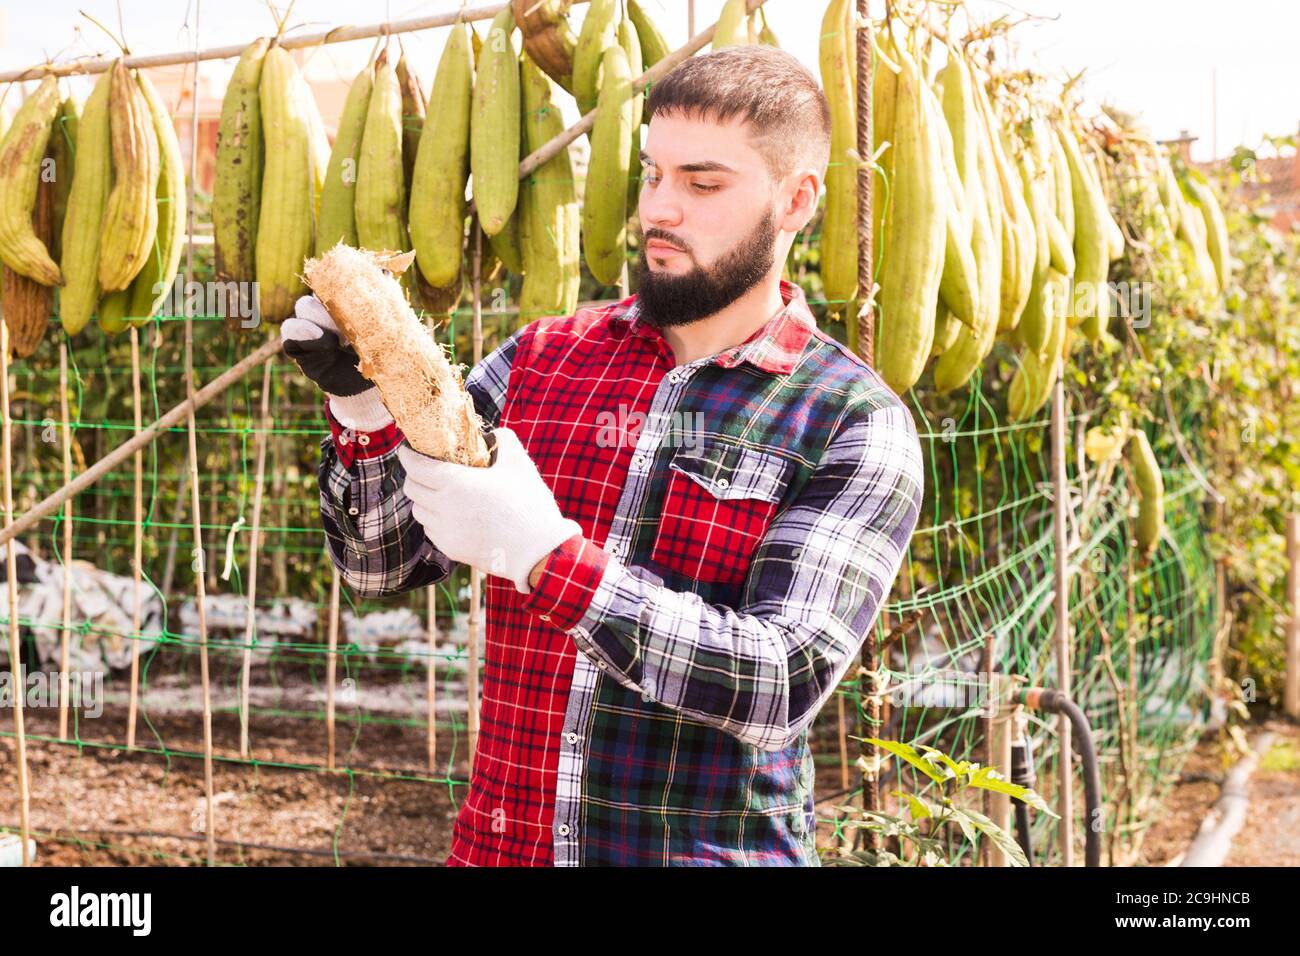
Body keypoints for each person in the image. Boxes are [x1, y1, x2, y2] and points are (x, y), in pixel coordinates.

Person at [282, 44, 924, 867]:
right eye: (653, 175)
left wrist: (551, 559)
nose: (662, 208)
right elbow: (380, 564)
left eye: (703, 184)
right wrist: (366, 408)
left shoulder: (849, 420)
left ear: (797, 201)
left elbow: (781, 680)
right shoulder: (539, 359)